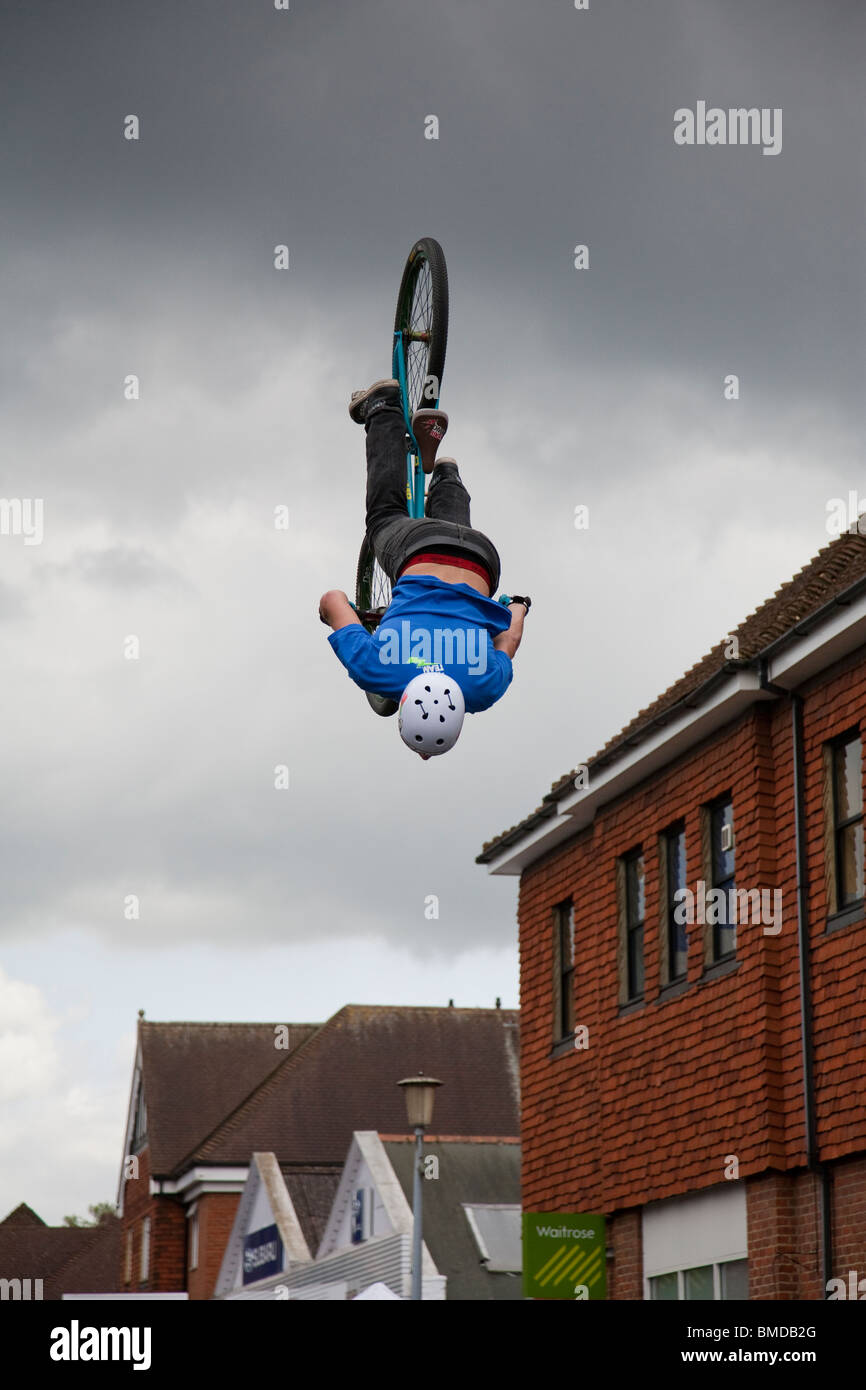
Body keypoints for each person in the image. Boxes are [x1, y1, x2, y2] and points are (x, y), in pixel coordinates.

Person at [319, 379, 530, 759]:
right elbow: (333, 599)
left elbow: (509, 640)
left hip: (482, 555)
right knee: (385, 517)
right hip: (417, 550)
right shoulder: (376, 671)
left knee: (459, 547)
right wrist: (331, 614)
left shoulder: (482, 692)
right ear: (400, 708)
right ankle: (383, 408)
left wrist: (518, 606)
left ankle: (448, 476)